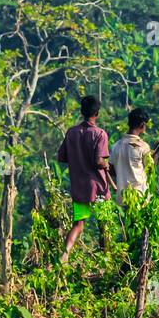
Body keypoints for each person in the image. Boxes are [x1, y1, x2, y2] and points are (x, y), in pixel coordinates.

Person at [57, 95, 113, 262]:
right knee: (104, 225)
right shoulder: (100, 134)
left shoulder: (72, 133)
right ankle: (106, 258)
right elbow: (98, 161)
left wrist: (77, 157)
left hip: (79, 187)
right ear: (97, 113)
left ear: (82, 112)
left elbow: (62, 157)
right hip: (98, 188)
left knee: (78, 224)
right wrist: (106, 165)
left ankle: (65, 254)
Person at [109, 107, 159, 203]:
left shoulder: (116, 146)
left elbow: (111, 171)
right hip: (140, 198)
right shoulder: (142, 146)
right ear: (142, 125)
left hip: (121, 199)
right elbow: (150, 169)